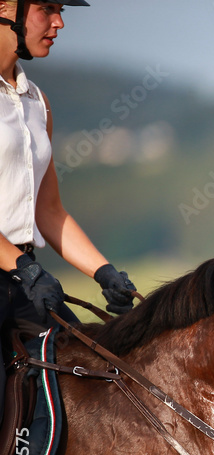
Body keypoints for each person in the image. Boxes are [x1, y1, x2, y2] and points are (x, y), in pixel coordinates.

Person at [1, 0, 135, 331]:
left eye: (61, 10)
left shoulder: (36, 101)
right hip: (21, 270)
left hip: (19, 275)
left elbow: (49, 211)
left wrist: (104, 272)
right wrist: (25, 268)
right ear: (4, 7)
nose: (59, 22)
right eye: (46, 8)